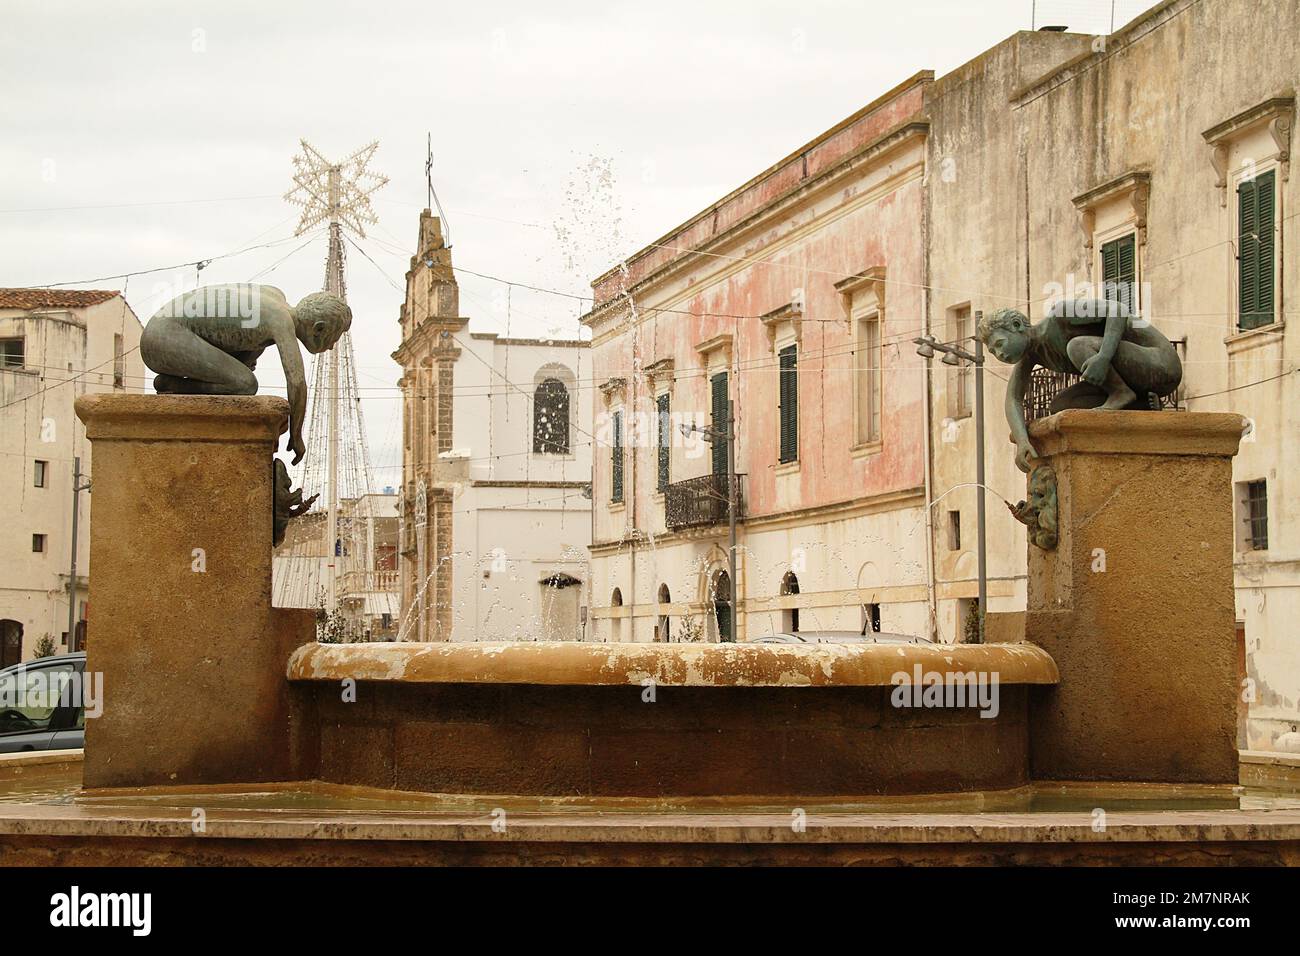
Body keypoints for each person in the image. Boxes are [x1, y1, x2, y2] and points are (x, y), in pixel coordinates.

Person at [140, 284, 351, 464]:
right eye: (334, 338)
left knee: (245, 375)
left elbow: (233, 321)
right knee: (245, 385)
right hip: (163, 338)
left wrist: (243, 360)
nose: (332, 347)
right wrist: (296, 435)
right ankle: (172, 384)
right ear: (319, 328)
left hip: (166, 329)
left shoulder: (274, 296)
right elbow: (296, 381)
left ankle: (175, 382)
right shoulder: (280, 319)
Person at [979, 299, 1181, 472]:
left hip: (1160, 363)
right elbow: (1013, 398)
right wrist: (1022, 441)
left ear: (1016, 325)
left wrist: (1103, 357)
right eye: (993, 353)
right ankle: (1142, 402)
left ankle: (1120, 393)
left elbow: (1117, 309)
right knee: (1063, 404)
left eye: (999, 344)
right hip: (1139, 379)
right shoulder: (1031, 354)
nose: (1000, 355)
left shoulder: (1060, 315)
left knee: (1077, 346)